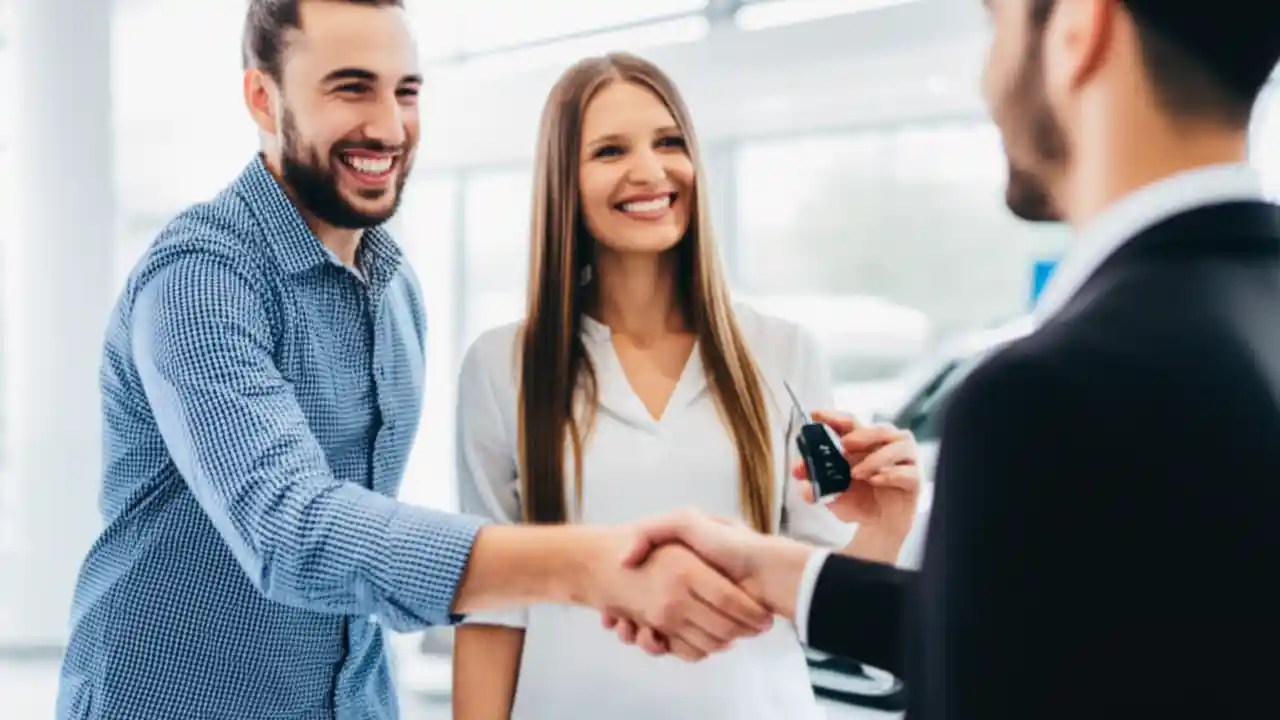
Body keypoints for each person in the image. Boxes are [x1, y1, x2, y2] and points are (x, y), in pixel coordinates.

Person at [55, 3, 776, 719]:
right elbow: (294, 532)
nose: (391, 127)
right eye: (350, 88)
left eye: (406, 91)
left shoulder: (394, 288)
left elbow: (365, 544)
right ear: (262, 98)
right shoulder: (201, 278)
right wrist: (598, 568)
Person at [612, 1, 1280, 718]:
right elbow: (1116, 641)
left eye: (998, 24)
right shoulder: (1247, 311)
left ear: (1080, 32)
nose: (987, 79)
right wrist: (789, 576)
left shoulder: (1044, 394)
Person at [450, 53, 922, 720]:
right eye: (610, 150)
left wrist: (882, 532)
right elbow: (494, 606)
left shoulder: (783, 351)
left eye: (669, 143)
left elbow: (814, 594)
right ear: (565, 182)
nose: (650, 171)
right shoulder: (503, 364)